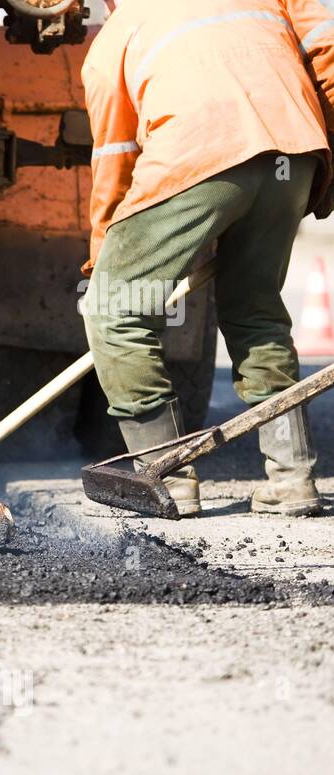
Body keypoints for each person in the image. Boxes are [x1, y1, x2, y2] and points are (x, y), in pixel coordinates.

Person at [82, 0, 334, 516]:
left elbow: (114, 158)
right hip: (293, 157)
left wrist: (104, 251)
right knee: (254, 307)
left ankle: (167, 475)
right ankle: (292, 479)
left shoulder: (117, 37)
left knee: (116, 308)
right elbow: (328, 55)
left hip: (200, 154)